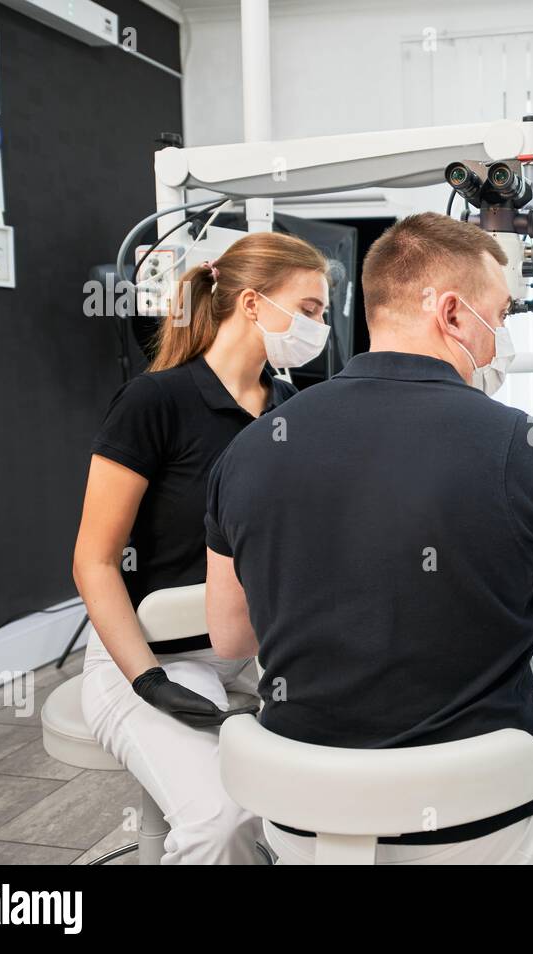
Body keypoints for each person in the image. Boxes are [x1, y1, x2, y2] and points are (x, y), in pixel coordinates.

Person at [205, 212, 533, 864]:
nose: (503, 338)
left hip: (301, 816)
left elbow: (232, 640)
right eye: (502, 313)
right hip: (475, 820)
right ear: (454, 314)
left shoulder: (250, 449)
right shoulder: (523, 446)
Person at [72, 232, 331, 864]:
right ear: (250, 304)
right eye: (310, 310)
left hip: (255, 644)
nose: (319, 329)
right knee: (224, 821)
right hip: (152, 653)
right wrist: (148, 678)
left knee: (332, 792)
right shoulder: (154, 402)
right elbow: (94, 561)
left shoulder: (291, 408)